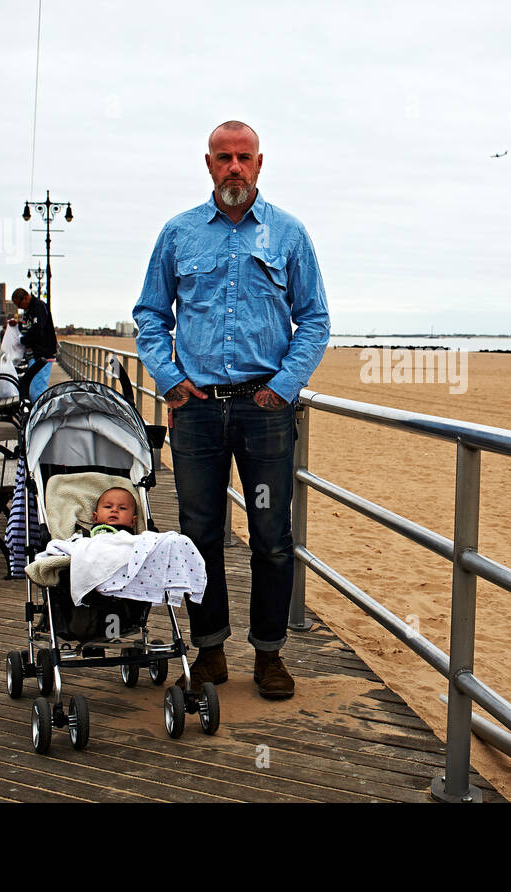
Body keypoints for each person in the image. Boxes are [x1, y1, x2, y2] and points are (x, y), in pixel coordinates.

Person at [134, 120, 329, 700]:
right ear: (209, 163)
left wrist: (285, 386)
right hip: (196, 413)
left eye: (244, 158)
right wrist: (170, 381)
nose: (235, 168)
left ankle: (269, 655)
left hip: (265, 411)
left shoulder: (289, 235)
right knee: (200, 534)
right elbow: (150, 315)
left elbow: (314, 320)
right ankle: (211, 647)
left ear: (260, 164)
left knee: (272, 535)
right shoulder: (179, 234)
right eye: (225, 158)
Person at [11, 288, 57, 401]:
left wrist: (22, 341)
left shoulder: (38, 307)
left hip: (43, 354)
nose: (19, 307)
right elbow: (28, 327)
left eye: (19, 304)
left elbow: (37, 330)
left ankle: (40, 415)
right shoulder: (29, 309)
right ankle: (37, 414)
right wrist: (17, 325)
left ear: (26, 298)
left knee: (38, 390)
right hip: (35, 355)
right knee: (33, 388)